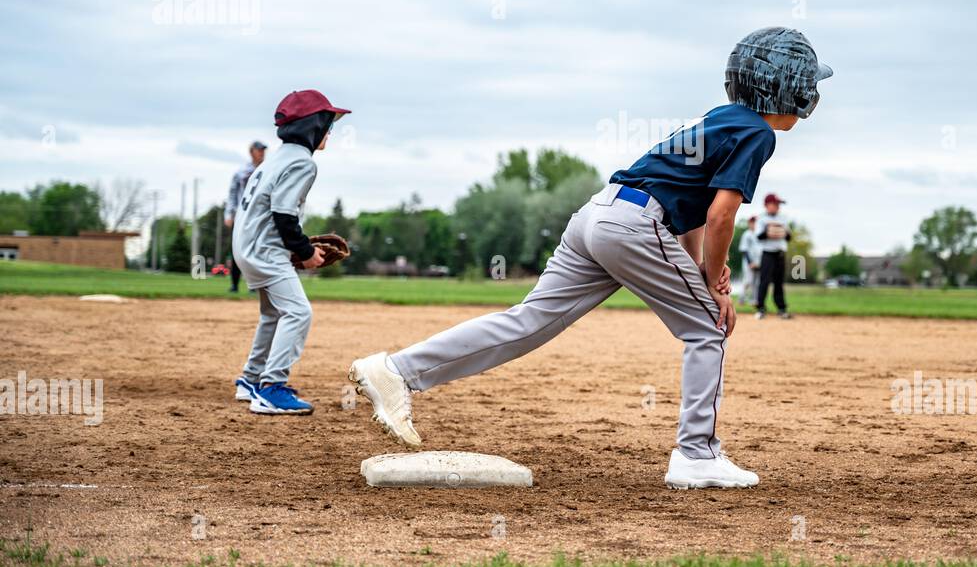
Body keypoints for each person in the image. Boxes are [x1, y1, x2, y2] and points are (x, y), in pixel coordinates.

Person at [349, 27, 832, 488]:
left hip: (599, 213)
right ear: (786, 87)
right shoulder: (758, 132)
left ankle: (395, 371)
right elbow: (722, 214)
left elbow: (693, 217)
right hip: (633, 226)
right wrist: (710, 285)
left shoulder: (719, 118)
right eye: (807, 82)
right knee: (708, 327)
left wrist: (705, 276)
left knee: (529, 321)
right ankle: (696, 456)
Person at [232, 90, 351, 414]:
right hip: (265, 250)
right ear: (312, 126)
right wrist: (304, 250)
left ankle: (251, 380)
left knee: (273, 314)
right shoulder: (302, 162)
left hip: (247, 247)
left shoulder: (276, 159)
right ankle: (272, 387)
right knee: (299, 312)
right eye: (327, 123)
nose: (329, 131)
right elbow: (283, 214)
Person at [223, 140, 267, 293]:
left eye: (263, 150)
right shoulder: (241, 172)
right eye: (259, 150)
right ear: (251, 152)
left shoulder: (268, 169)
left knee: (257, 251)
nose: (262, 152)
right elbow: (232, 194)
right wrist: (229, 214)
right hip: (242, 215)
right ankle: (234, 284)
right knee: (238, 250)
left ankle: (254, 285)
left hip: (261, 216)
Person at [754, 193, 791, 320]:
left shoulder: (783, 218)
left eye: (778, 204)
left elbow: (789, 237)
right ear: (766, 205)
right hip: (767, 253)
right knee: (764, 281)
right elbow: (758, 236)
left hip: (780, 253)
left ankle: (782, 309)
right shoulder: (762, 218)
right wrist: (768, 231)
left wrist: (783, 232)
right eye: (775, 204)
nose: (777, 206)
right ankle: (760, 308)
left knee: (779, 283)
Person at [737, 215, 762, 306]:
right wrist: (750, 262)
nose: (754, 224)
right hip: (749, 263)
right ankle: (741, 299)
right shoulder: (747, 234)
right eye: (752, 222)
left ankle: (754, 301)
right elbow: (744, 249)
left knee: (757, 283)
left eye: (755, 222)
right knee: (748, 281)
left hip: (759, 262)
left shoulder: (759, 234)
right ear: (749, 223)